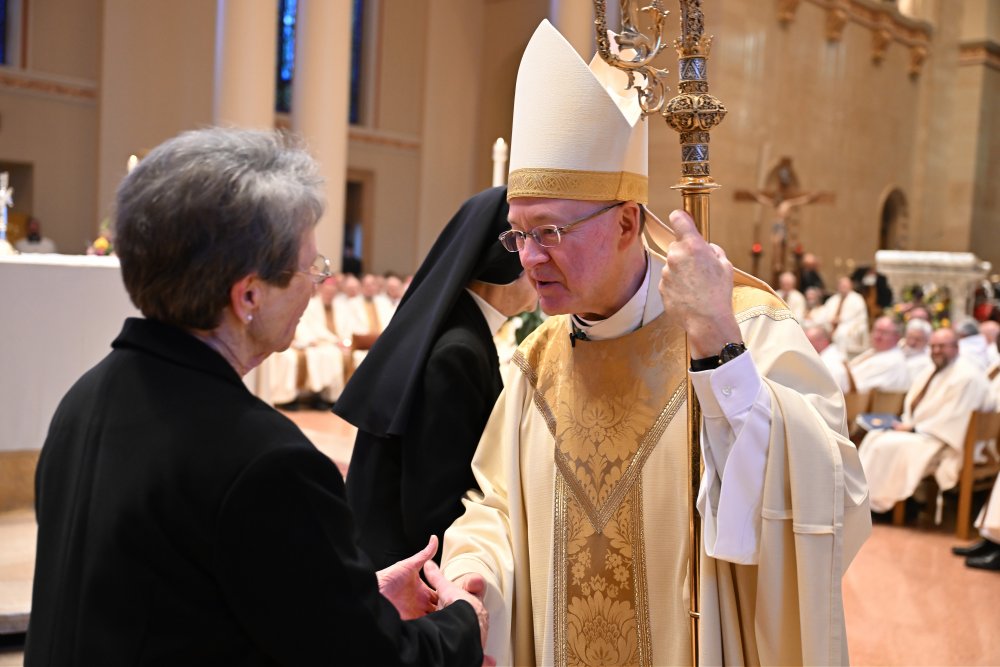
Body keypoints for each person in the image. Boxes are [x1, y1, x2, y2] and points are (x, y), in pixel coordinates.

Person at [440, 20, 869, 666]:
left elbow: (833, 492)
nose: (529, 259)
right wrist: (480, 575)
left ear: (626, 222)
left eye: (550, 232)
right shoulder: (536, 365)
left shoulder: (744, 327)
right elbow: (496, 505)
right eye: (518, 235)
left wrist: (720, 352)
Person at [25, 128, 486, 665]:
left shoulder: (87, 397)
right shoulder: (264, 460)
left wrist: (348, 593)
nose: (317, 283)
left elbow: (173, 596)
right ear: (248, 296)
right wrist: (463, 625)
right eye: (310, 267)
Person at [337, 186, 536, 571]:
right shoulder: (457, 352)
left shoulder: (456, 329)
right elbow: (433, 505)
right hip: (406, 572)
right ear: (503, 266)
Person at [858, 327, 992, 513]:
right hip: (927, 432)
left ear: (956, 348)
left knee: (887, 444)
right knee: (875, 436)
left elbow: (954, 419)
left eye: (942, 346)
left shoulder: (966, 376)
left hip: (945, 441)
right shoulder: (933, 370)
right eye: (934, 346)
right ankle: (865, 501)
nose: (937, 351)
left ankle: (887, 506)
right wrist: (908, 425)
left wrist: (914, 429)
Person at [847, 316, 911, 393]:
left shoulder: (891, 361)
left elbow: (858, 388)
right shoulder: (875, 352)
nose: (877, 336)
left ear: (897, 337)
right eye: (876, 330)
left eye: (884, 332)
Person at [819, 275, 870, 359]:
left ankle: (842, 360)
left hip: (850, 326)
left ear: (850, 286)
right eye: (841, 285)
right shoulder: (833, 299)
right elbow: (825, 314)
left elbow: (856, 317)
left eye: (845, 285)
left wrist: (839, 319)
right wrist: (830, 321)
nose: (843, 287)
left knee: (841, 334)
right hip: (831, 326)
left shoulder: (857, 299)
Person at [806, 324, 850, 394]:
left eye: (809, 341)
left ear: (824, 340)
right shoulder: (829, 356)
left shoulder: (830, 361)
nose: (806, 345)